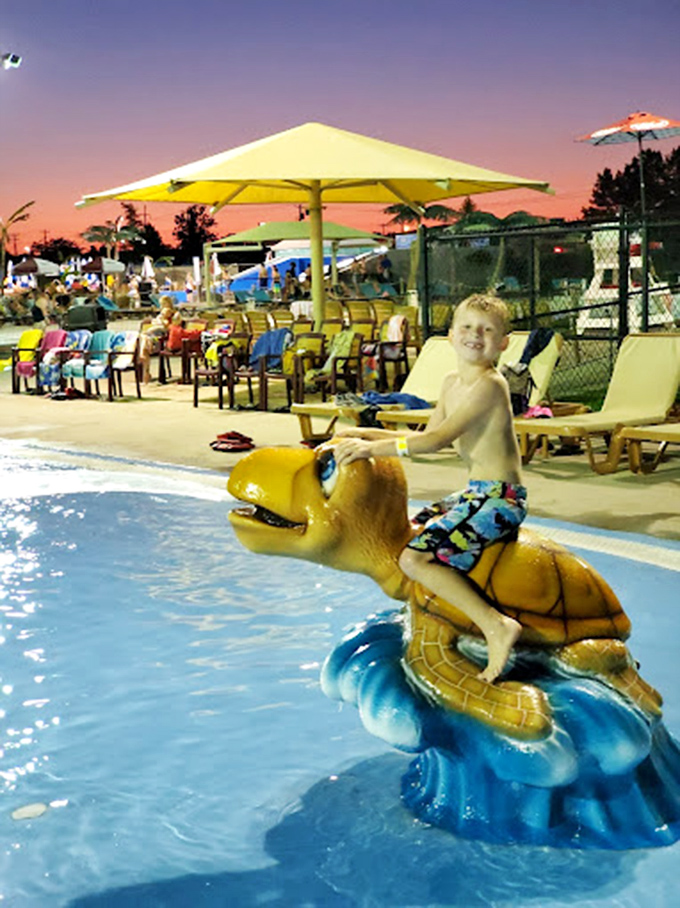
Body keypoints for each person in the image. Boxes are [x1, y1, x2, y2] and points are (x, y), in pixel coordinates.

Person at [327, 294, 526, 684]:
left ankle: (496, 625)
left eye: (487, 330)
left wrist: (371, 448)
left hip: (501, 498)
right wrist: (365, 432)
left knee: (415, 560)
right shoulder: (452, 382)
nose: (475, 336)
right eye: (467, 327)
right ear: (451, 335)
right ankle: (435, 609)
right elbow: (424, 435)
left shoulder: (490, 386)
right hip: (475, 493)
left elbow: (437, 442)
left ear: (503, 343)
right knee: (411, 534)